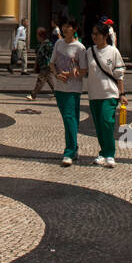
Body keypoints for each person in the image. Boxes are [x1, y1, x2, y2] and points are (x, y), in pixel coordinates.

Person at [86, 20, 126, 166]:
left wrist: (122, 94)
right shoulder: (89, 52)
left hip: (110, 93)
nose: (94, 37)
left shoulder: (113, 51)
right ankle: (103, 152)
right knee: (99, 125)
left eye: (97, 34)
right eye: (93, 34)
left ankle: (110, 154)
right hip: (94, 93)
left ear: (104, 36)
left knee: (107, 122)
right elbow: (83, 69)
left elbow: (119, 74)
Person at [49, 19, 88, 165]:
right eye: (63, 26)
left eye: (69, 26)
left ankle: (69, 152)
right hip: (59, 87)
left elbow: (84, 70)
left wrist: (71, 74)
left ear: (75, 29)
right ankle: (75, 148)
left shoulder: (80, 48)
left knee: (69, 118)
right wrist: (57, 74)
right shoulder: (58, 44)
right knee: (71, 118)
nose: (65, 29)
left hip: (73, 88)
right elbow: (52, 63)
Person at [27, 26, 55, 100]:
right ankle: (58, 94)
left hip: (47, 65)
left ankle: (33, 95)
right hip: (42, 65)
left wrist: (52, 64)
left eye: (37, 34)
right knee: (50, 80)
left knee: (40, 80)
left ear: (41, 35)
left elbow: (52, 55)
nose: (36, 36)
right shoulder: (40, 44)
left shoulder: (48, 44)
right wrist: (35, 65)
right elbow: (38, 55)